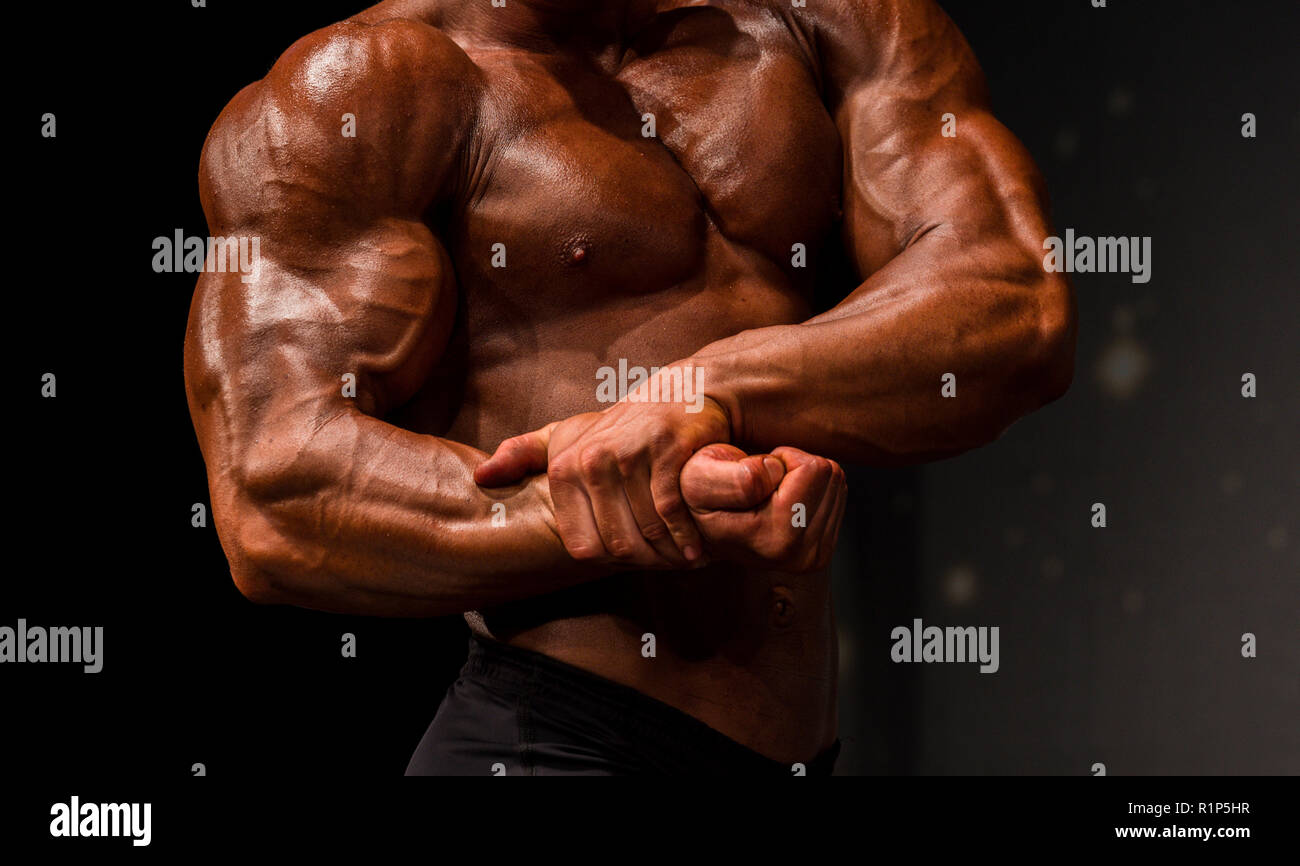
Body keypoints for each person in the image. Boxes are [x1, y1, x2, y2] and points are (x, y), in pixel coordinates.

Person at [184, 0, 1075, 775]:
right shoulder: (365, 86)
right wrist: (630, 508)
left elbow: (1015, 304)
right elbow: (273, 494)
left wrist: (708, 390)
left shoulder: (824, 19)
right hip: (548, 744)